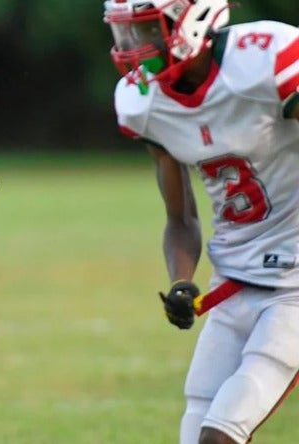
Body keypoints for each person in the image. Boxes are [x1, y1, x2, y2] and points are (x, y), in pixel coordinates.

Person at [104, 1, 299, 443]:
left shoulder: (266, 60)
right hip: (233, 279)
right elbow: (181, 217)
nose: (134, 48)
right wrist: (182, 280)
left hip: (294, 282)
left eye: (146, 31)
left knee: (220, 435)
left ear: (190, 19)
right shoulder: (144, 104)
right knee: (196, 433)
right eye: (125, 33)